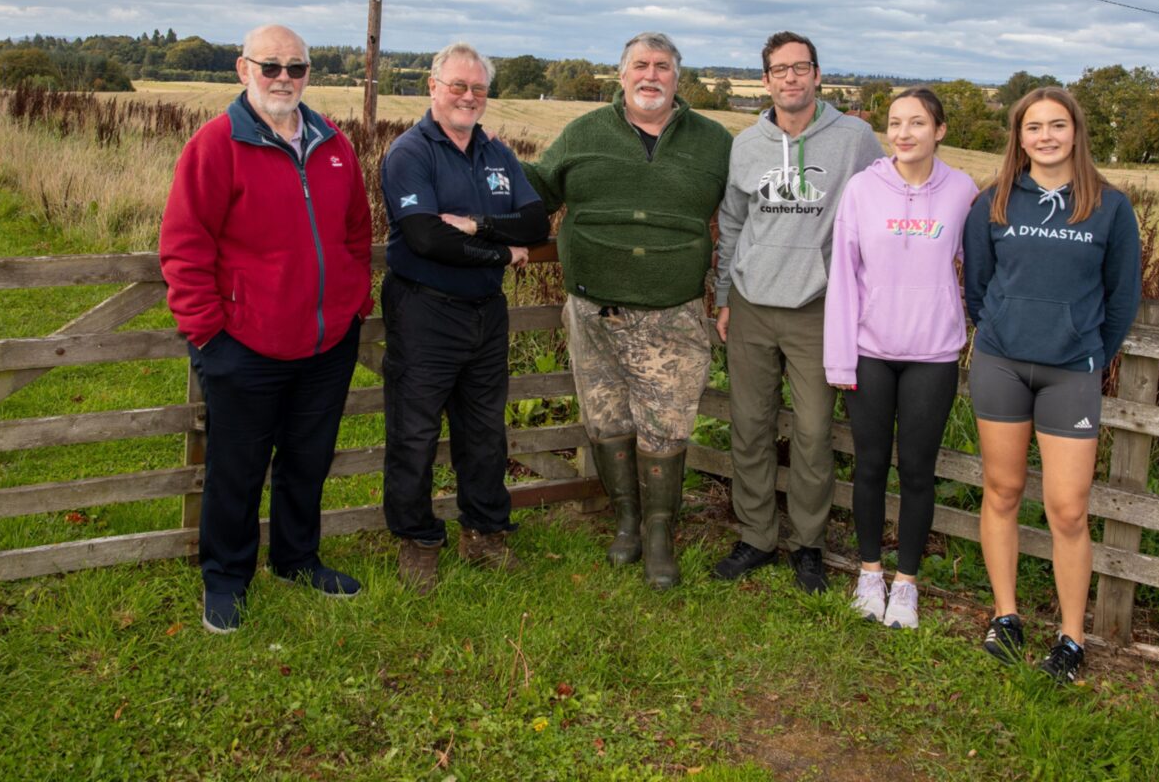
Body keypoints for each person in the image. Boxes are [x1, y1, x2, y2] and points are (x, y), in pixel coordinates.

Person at [160, 24, 374, 634]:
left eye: (296, 68)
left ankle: (296, 559)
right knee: (237, 467)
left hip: (327, 343)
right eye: (271, 66)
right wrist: (209, 335)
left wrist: (353, 303)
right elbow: (184, 246)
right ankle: (226, 578)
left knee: (308, 460)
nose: (284, 78)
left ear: (310, 73)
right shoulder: (215, 145)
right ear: (243, 69)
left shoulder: (334, 144)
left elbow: (356, 232)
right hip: (244, 346)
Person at [521, 31, 731, 589]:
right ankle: (628, 522)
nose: (651, 76)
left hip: (674, 314)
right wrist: (484, 200)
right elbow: (537, 192)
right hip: (593, 312)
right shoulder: (583, 133)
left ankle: (661, 533)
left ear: (677, 78)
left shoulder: (714, 143)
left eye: (663, 67)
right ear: (621, 75)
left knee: (666, 425)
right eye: (641, 65)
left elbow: (741, 218)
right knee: (606, 417)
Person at [963, 86, 1140, 683]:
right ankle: (1006, 616)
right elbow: (978, 289)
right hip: (1001, 366)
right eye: (1032, 127)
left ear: (1075, 132)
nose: (1045, 136)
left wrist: (1084, 349)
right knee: (1003, 491)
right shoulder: (993, 202)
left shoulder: (1110, 207)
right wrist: (1006, 331)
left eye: (1056, 125)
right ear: (1018, 137)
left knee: (1067, 510)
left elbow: (1122, 300)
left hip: (1071, 373)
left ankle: (1071, 636)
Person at [712, 31, 884, 593]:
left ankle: (808, 544)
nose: (791, 78)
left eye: (801, 68)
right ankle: (757, 536)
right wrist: (723, 296)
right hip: (752, 304)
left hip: (819, 309)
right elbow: (733, 223)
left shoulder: (855, 139)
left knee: (812, 433)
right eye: (780, 70)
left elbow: (882, 202)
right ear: (765, 80)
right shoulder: (747, 145)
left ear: (816, 75)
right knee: (750, 426)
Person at [379, 43, 549, 594]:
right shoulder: (411, 152)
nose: (468, 97)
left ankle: (485, 531)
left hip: (485, 312)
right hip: (424, 308)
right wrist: (502, 253)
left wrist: (478, 226)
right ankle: (417, 539)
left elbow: (535, 223)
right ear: (433, 86)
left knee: (484, 430)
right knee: (416, 430)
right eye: (457, 86)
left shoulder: (496, 154)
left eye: (478, 88)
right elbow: (426, 237)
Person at [824, 87, 978, 628]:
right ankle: (869, 574)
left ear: (939, 130)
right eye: (895, 123)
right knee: (868, 466)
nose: (904, 133)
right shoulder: (863, 190)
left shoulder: (962, 191)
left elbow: (977, 270)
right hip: (869, 352)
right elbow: (843, 276)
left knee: (916, 471)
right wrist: (840, 360)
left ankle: (906, 584)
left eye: (917, 122)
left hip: (932, 355)